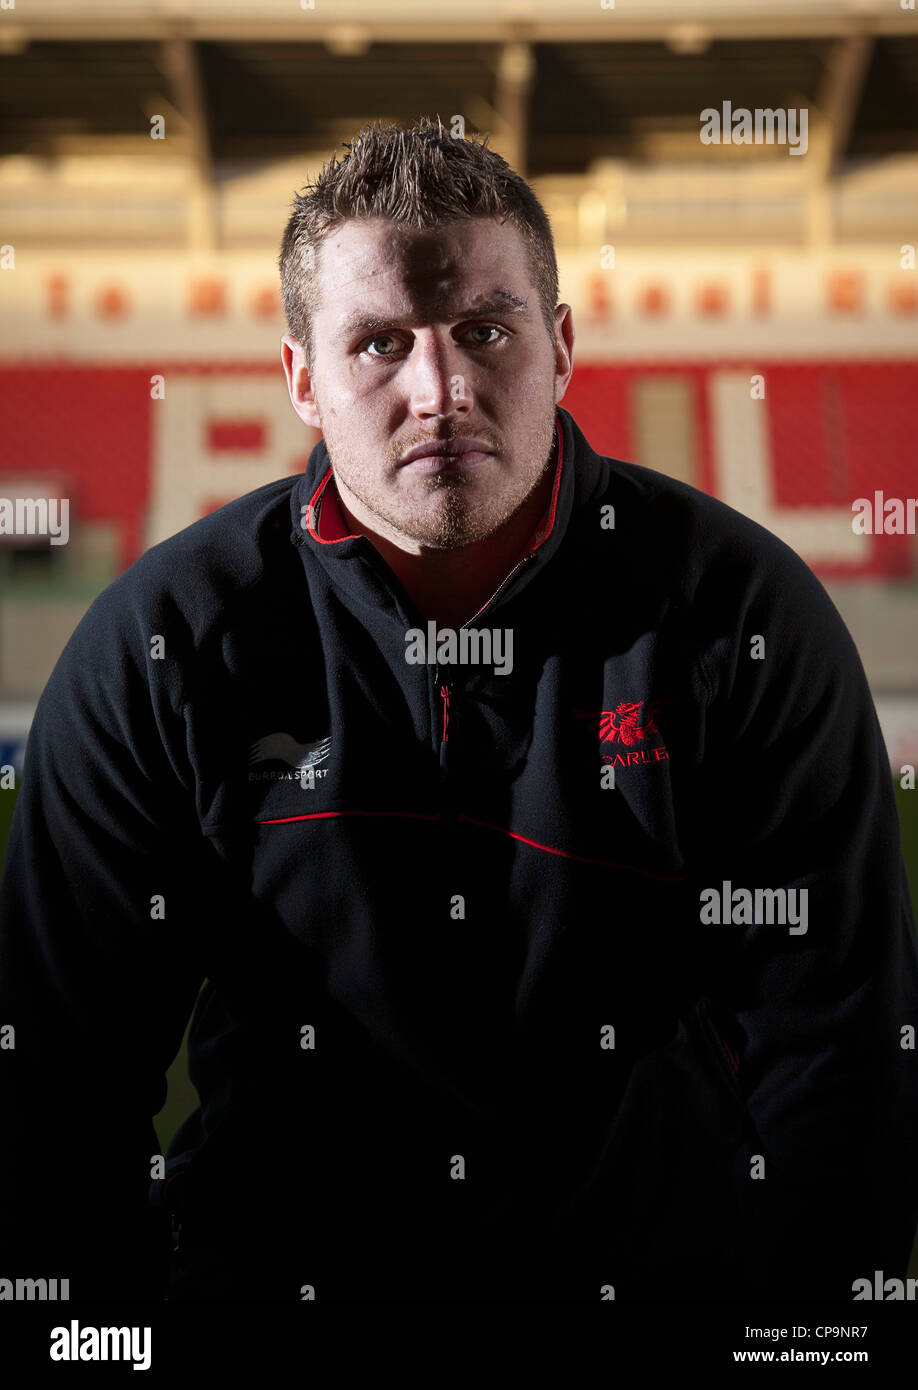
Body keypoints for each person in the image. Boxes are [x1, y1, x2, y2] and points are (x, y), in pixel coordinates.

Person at [1, 116, 917, 1304]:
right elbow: (56, 1086)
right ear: (302, 380)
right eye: (380, 343)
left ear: (563, 347)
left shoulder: (740, 617)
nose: (441, 389)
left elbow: (842, 1060)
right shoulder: (164, 645)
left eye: (485, 330)